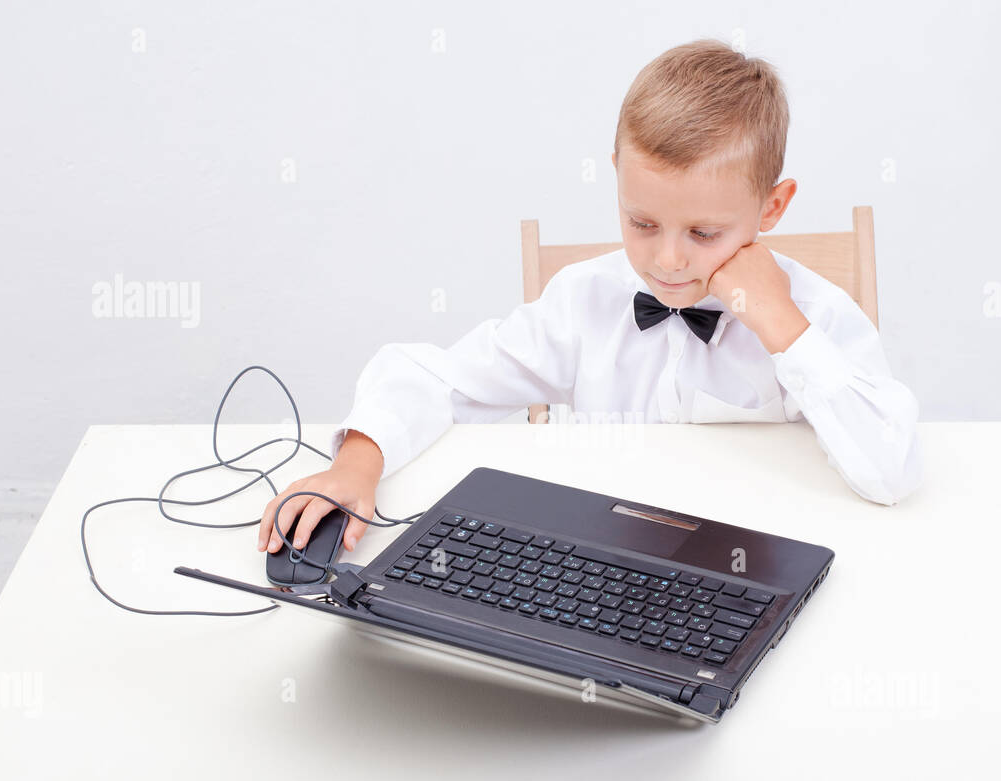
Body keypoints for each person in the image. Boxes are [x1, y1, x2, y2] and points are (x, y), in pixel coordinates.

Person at [259, 38, 922, 556]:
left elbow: (892, 473)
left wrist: (781, 325)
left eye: (704, 232)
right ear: (616, 181)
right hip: (610, 563)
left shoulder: (818, 315)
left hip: (760, 561)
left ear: (772, 206)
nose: (666, 259)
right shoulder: (584, 302)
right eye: (641, 222)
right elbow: (434, 377)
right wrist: (355, 466)